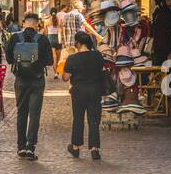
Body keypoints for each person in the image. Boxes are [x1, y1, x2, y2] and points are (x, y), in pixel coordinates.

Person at [8, 11, 54, 159]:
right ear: (36, 24)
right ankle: (30, 147)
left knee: (21, 112)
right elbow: (50, 61)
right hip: (37, 80)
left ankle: (20, 146)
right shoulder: (43, 39)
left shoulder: (15, 38)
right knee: (34, 114)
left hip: (20, 80)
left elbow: (9, 59)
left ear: (24, 23)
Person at [63, 30, 106, 160]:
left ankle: (76, 147)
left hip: (78, 92)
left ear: (78, 43)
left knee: (78, 119)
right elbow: (103, 71)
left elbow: (65, 77)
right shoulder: (97, 55)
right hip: (94, 91)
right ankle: (94, 149)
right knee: (94, 120)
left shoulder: (72, 58)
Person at [151, 0, 171, 66]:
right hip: (163, 47)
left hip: (158, 46)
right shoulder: (165, 13)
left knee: (159, 68)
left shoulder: (157, 12)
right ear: (165, 1)